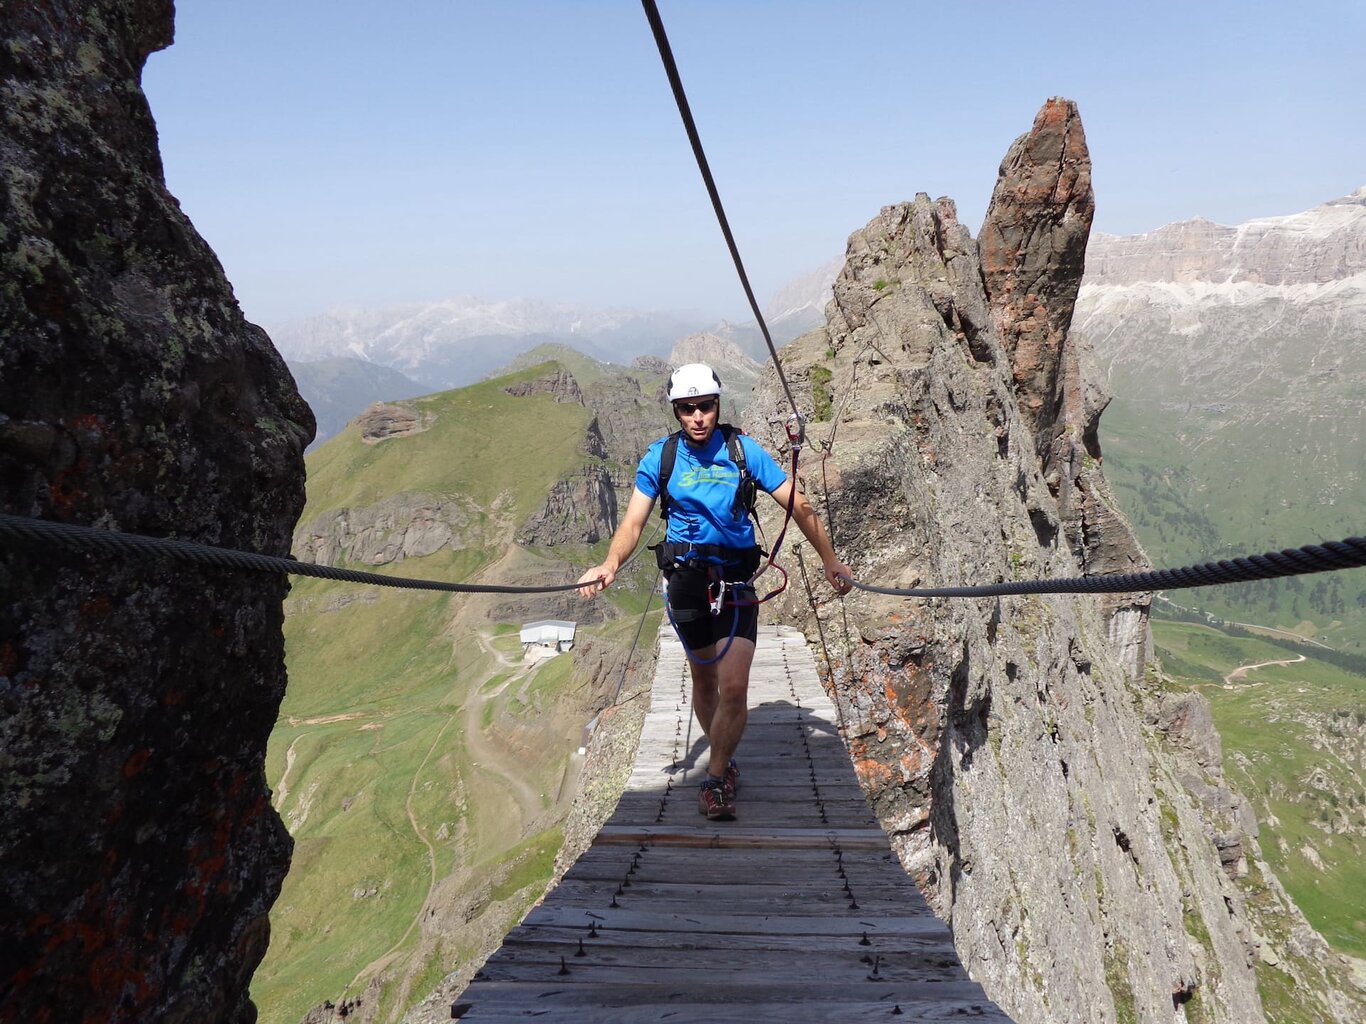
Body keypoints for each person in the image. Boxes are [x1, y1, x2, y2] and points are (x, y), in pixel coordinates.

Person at [577, 362, 852, 821]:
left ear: (717, 405)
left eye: (705, 406)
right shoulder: (660, 459)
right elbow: (633, 522)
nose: (697, 416)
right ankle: (724, 763)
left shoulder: (743, 452)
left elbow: (798, 504)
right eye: (687, 409)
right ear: (677, 412)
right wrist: (609, 564)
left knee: (734, 686)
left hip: (735, 582)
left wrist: (830, 559)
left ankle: (716, 776)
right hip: (686, 582)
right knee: (704, 681)